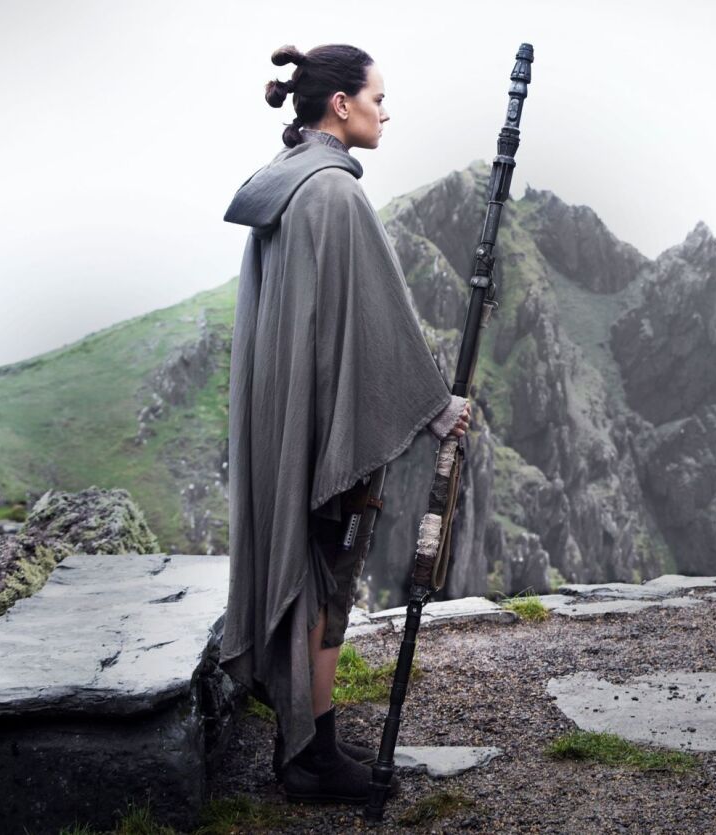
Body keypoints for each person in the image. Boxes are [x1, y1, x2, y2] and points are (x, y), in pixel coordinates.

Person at [220, 43, 469, 804]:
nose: (385, 112)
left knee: (317, 571)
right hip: (327, 426)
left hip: (293, 412)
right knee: (326, 577)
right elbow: (377, 324)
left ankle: (312, 735)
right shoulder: (334, 195)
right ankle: (310, 760)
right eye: (378, 98)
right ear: (341, 105)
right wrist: (437, 409)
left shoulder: (283, 185)